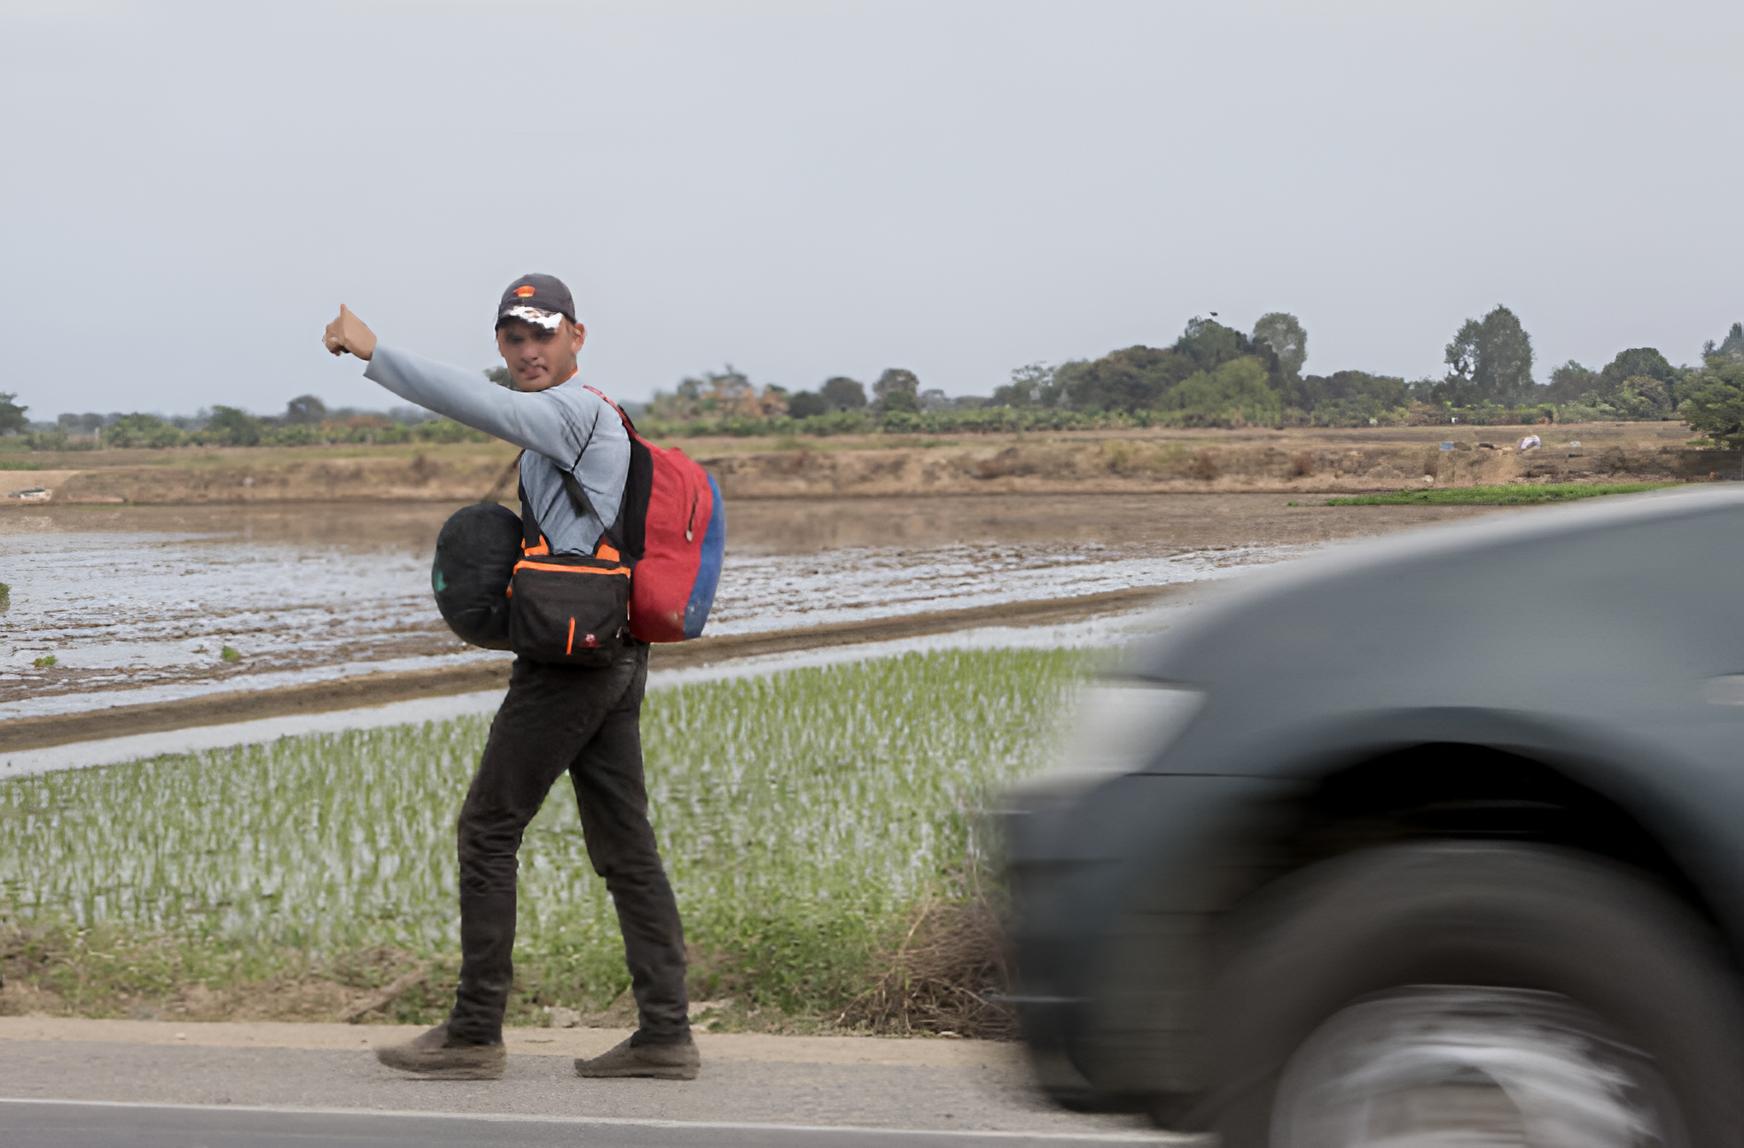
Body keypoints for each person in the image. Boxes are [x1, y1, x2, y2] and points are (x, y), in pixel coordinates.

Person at [321, 274, 698, 1081]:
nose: (529, 350)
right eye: (514, 337)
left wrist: (376, 351)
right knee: (626, 848)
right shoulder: (577, 421)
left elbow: (483, 405)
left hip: (569, 665)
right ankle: (666, 1034)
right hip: (612, 652)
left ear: (576, 336)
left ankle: (473, 1033)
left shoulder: (574, 412)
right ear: (501, 342)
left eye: (543, 334)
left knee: (489, 831)